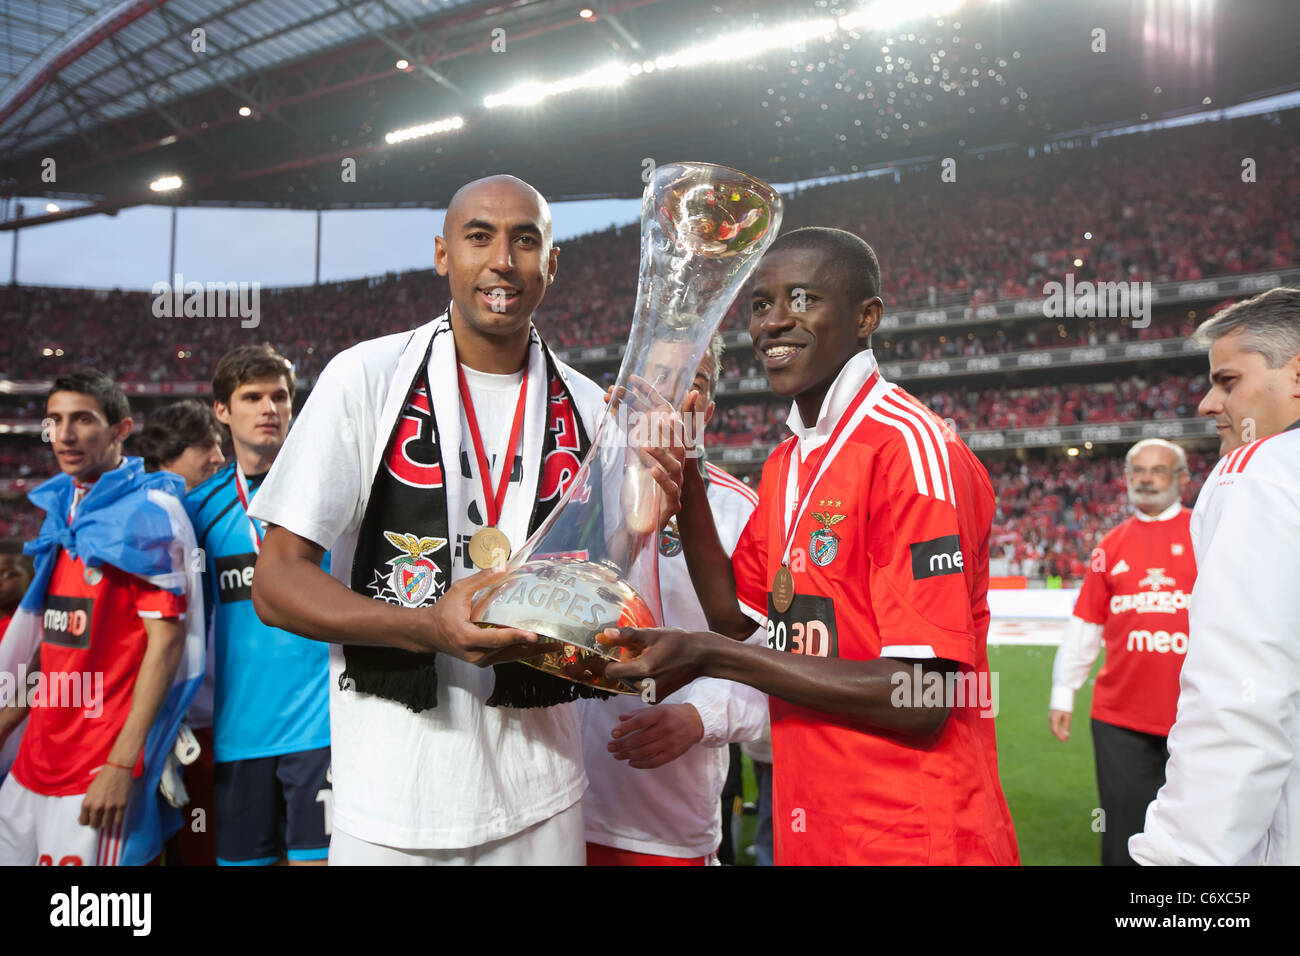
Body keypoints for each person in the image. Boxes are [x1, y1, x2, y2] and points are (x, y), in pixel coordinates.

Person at [247, 175, 683, 865]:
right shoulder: (365, 377)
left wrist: (632, 533)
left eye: (525, 240)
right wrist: (425, 627)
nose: (502, 260)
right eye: (479, 236)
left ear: (551, 263)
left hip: (543, 797)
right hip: (393, 803)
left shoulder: (591, 406)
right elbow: (274, 584)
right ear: (443, 255)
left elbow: (578, 601)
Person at [601, 227, 1019, 865]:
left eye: (803, 299)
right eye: (762, 305)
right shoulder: (790, 462)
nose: (774, 322)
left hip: (913, 837)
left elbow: (925, 698)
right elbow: (733, 618)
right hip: (818, 829)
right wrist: (684, 471)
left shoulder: (910, 450)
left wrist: (711, 657)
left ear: (865, 318)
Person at [0, 369, 204, 866]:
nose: (64, 435)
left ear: (121, 429)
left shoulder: (147, 514)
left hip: (97, 768)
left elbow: (167, 646)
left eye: (83, 420)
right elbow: (53, 648)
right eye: (54, 421)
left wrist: (121, 763)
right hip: (34, 762)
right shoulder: (62, 511)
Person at [1130, 288, 1300, 865]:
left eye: (1228, 381)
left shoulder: (1259, 471)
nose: (1207, 403)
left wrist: (1176, 869)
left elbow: (1239, 697)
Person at [580, 340, 767, 866]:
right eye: (659, 374)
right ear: (630, 387)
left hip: (666, 827)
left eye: (696, 380)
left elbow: (775, 666)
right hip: (553, 802)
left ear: (708, 410)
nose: (675, 392)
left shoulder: (741, 512)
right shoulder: (573, 491)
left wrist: (699, 717)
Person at [184, 345, 332, 867]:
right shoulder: (196, 510)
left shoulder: (331, 490)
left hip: (323, 732)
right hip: (239, 734)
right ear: (223, 410)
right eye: (252, 397)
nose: (269, 407)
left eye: (279, 396)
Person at [1048, 439, 1195, 865]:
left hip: (1196, 716)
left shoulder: (1206, 535)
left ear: (1183, 480)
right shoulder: (1108, 546)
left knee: (1198, 837)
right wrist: (1063, 690)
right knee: (1123, 835)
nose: (1146, 479)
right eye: (1137, 471)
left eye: (1158, 470)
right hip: (1120, 721)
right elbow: (1086, 624)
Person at [136, 400, 226, 492]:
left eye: (219, 446)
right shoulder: (143, 504)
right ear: (166, 453)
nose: (220, 458)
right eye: (205, 446)